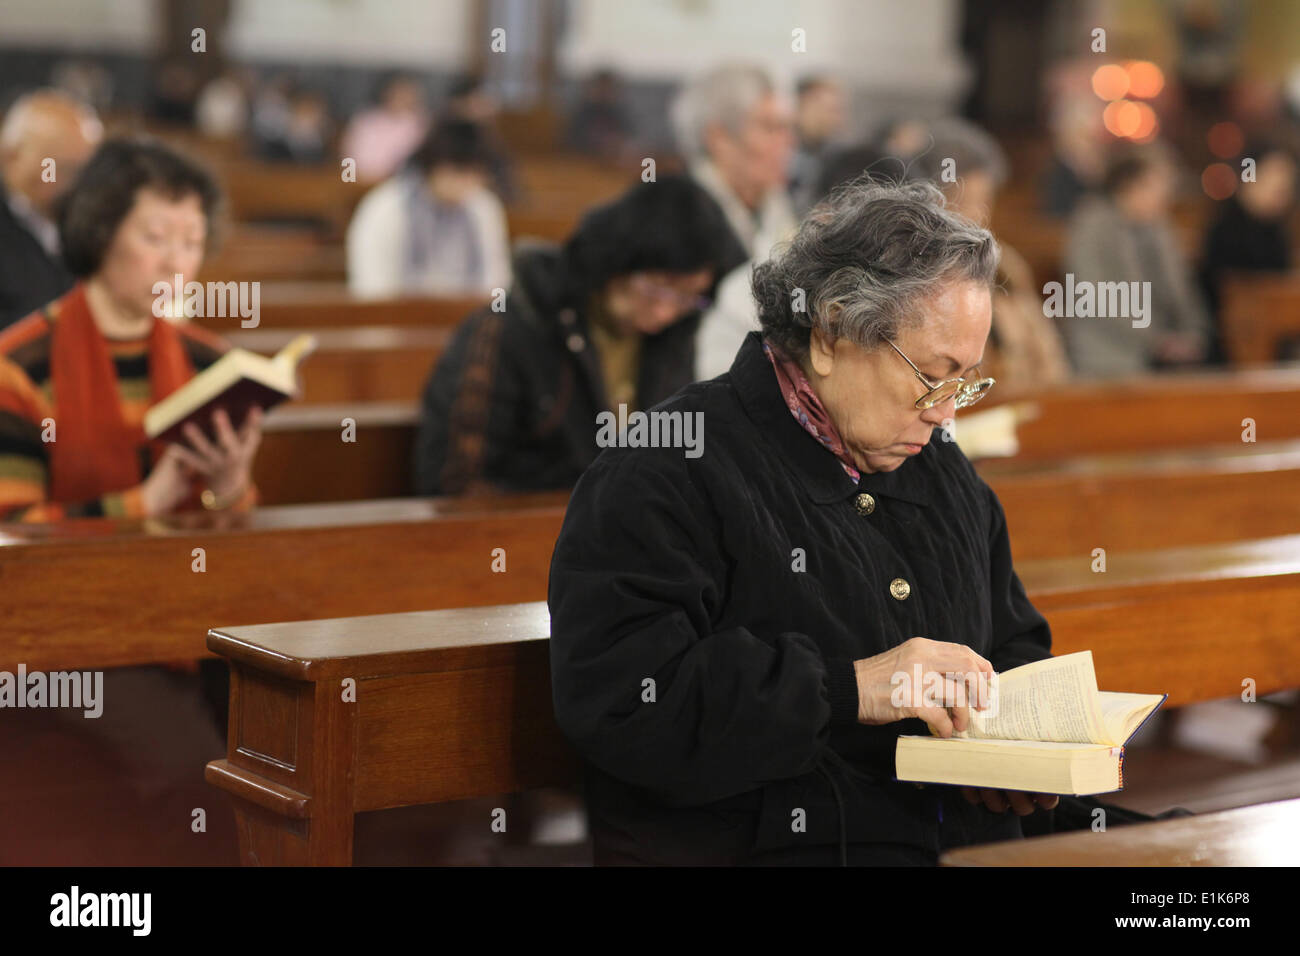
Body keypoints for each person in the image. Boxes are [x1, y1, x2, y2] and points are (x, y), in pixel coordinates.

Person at [548, 179, 1059, 866]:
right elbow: (628, 705)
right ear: (831, 332)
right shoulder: (667, 465)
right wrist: (852, 688)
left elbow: (1011, 638)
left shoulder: (938, 465)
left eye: (967, 382)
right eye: (933, 378)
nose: (947, 412)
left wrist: (1023, 757)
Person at [413, 175, 735, 496]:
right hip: (518, 536)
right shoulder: (511, 329)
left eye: (687, 296)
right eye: (656, 287)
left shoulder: (676, 335)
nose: (665, 312)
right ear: (620, 261)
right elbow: (453, 481)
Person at [0, 138, 263, 522]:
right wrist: (143, 504)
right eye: (155, 238)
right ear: (100, 233)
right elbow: (10, 533)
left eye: (192, 243)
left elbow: (232, 537)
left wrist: (228, 485)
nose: (175, 263)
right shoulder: (18, 368)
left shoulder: (211, 365)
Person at [911, 118, 1070, 388]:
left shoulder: (1006, 263)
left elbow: (1047, 354)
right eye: (961, 202)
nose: (975, 216)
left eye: (983, 201)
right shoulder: (916, 272)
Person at [671, 64, 796, 379]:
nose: (786, 143)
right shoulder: (681, 219)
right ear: (719, 138)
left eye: (787, 128)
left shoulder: (776, 207)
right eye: (770, 128)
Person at [1064, 144, 1211, 378]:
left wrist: (1193, 334)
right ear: (1129, 185)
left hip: (1164, 349)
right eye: (1158, 185)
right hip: (1109, 349)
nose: (1166, 195)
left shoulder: (1160, 228)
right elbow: (1092, 295)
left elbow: (1182, 289)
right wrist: (1156, 341)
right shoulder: (1092, 225)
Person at [346, 118, 511, 298]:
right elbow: (370, 286)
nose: (467, 184)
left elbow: (496, 278)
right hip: (398, 319)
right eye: (459, 172)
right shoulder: (386, 207)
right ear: (432, 165)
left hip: (469, 318)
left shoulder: (482, 206)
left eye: (476, 174)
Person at [0, 89, 103, 329]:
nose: (80, 183)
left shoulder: (89, 223)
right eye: (65, 169)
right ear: (11, 156)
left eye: (87, 170)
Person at [1199, 139, 1296, 363]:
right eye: (1275, 174)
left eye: (1287, 177)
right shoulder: (1226, 227)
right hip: (1231, 342)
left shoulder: (1277, 228)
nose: (1282, 185)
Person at [340, 73, 430, 183]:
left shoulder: (420, 125)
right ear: (386, 93)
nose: (401, 98)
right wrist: (350, 180)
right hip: (360, 182)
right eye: (397, 93)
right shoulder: (365, 120)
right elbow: (348, 158)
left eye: (407, 94)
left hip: (400, 185)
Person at [788, 75, 848, 216]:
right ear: (805, 105)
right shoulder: (780, 151)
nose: (837, 119)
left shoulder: (834, 157)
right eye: (831, 110)